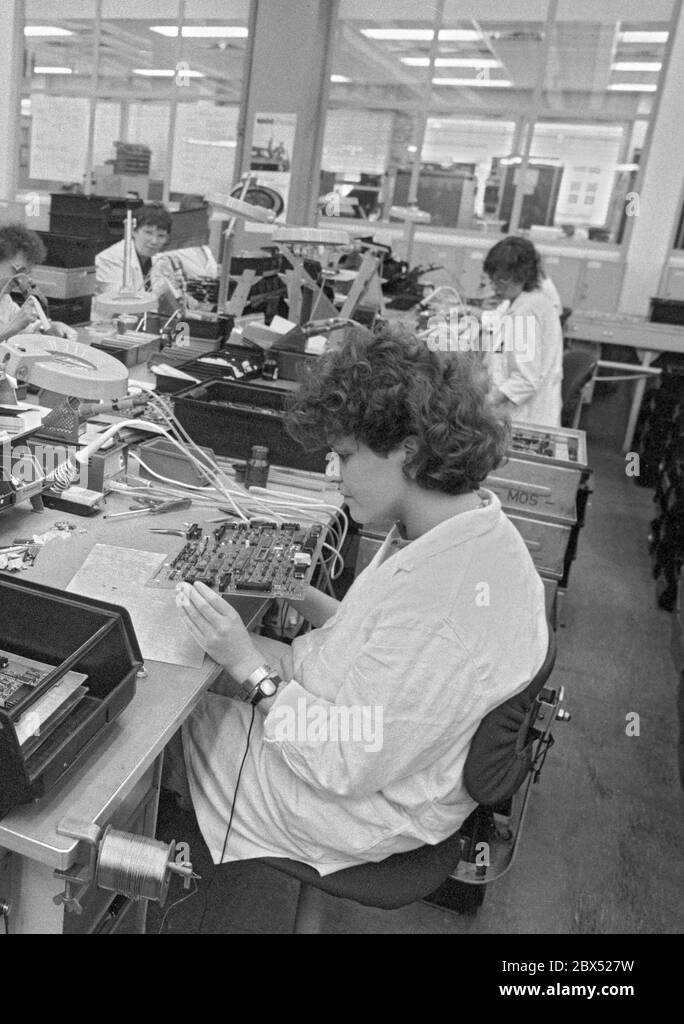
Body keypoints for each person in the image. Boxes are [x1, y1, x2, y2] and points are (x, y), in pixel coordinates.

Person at [175, 323, 548, 875]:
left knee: (155, 718)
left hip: (353, 805)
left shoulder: (442, 606)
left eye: (345, 456)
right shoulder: (456, 525)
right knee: (186, 655)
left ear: (410, 450)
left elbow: (344, 757)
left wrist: (248, 666)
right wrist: (300, 593)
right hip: (361, 734)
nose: (334, 473)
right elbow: (374, 637)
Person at [482, 236, 564, 427]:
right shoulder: (522, 303)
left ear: (521, 275)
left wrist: (484, 403)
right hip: (518, 417)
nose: (495, 286)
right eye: (493, 279)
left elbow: (525, 381)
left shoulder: (527, 311)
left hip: (525, 421)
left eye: (501, 280)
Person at [94, 203, 179, 311]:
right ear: (133, 231)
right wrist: (160, 292)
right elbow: (122, 307)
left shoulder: (160, 260)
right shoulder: (110, 259)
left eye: (161, 235)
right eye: (148, 232)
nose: (154, 241)